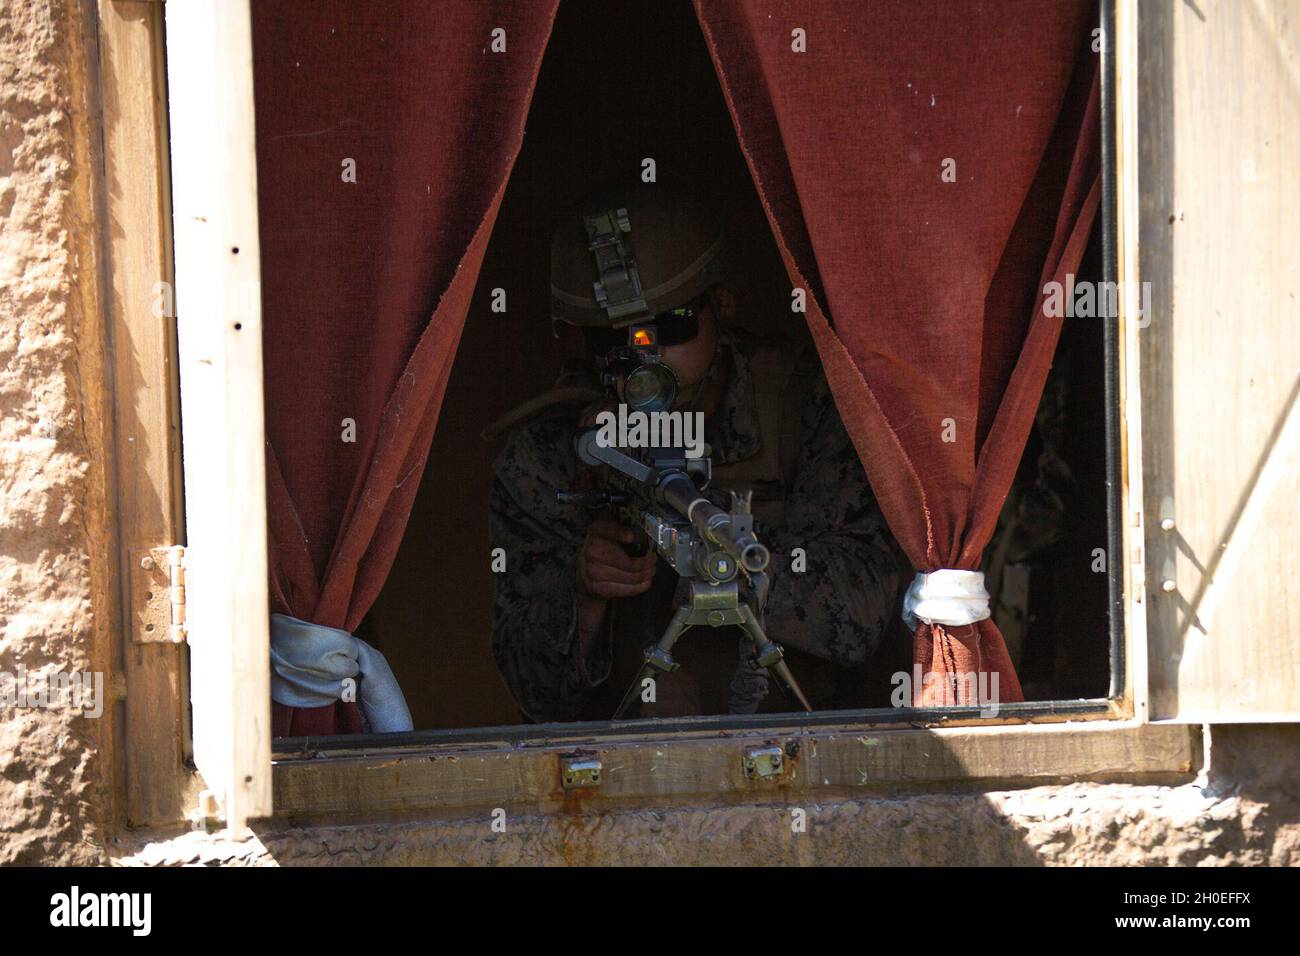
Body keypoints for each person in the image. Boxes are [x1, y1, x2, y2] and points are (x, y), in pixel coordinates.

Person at [488, 187, 900, 722]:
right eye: (609, 340)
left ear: (722, 305)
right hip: (617, 769)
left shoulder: (807, 407)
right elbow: (531, 690)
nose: (645, 359)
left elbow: (860, 613)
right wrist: (585, 596)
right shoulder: (547, 452)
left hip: (798, 743)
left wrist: (712, 550)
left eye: (672, 325)